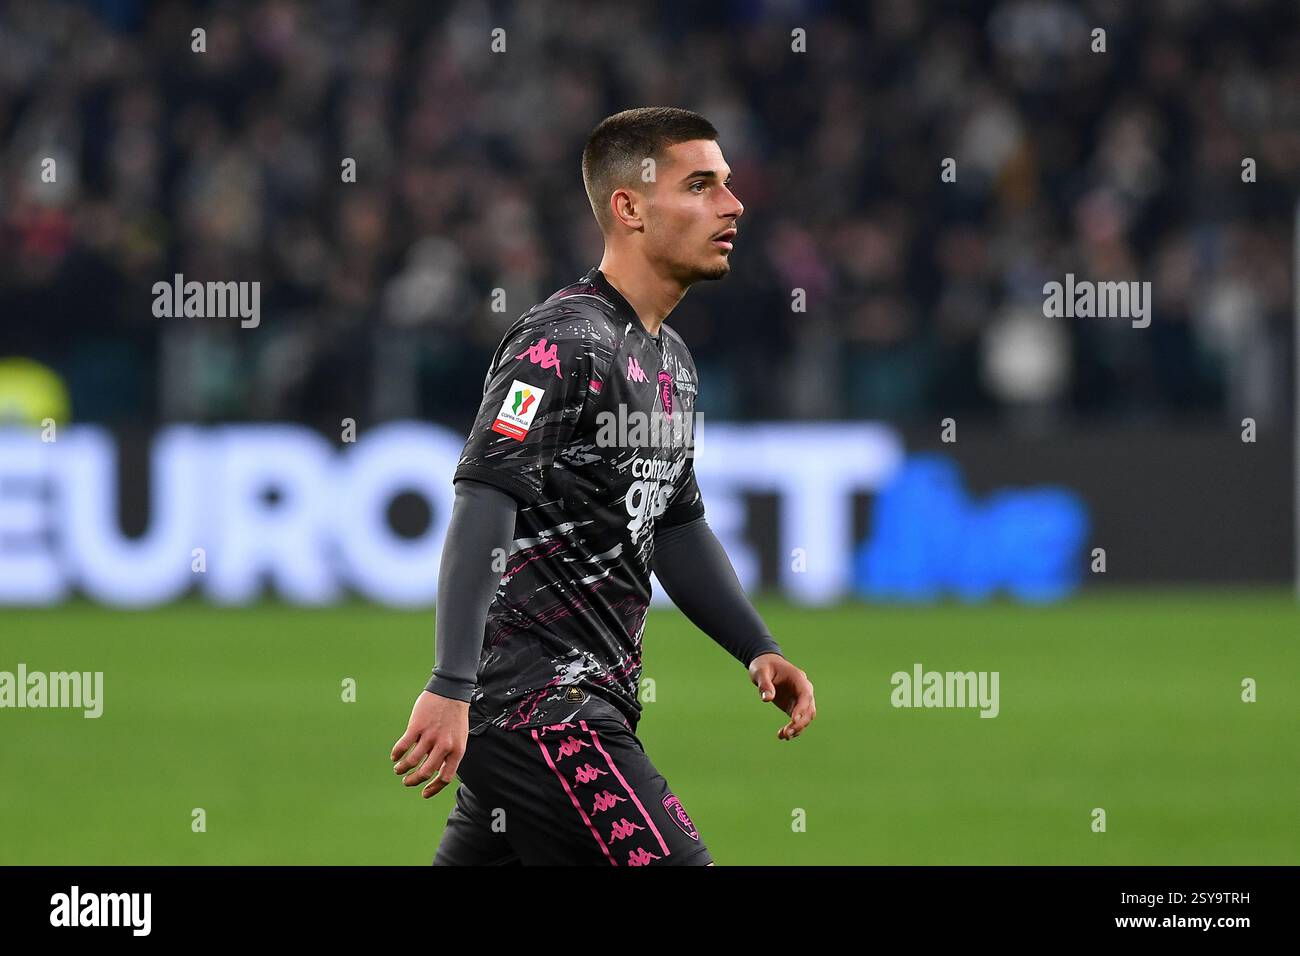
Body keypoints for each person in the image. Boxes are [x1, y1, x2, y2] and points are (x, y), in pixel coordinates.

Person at [390, 107, 817, 866]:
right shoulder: (565, 341)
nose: (733, 203)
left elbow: (676, 524)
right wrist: (451, 684)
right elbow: (485, 497)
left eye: (727, 184)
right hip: (543, 710)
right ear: (630, 208)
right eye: (701, 185)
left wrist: (756, 646)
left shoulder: (670, 361)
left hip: (563, 709)